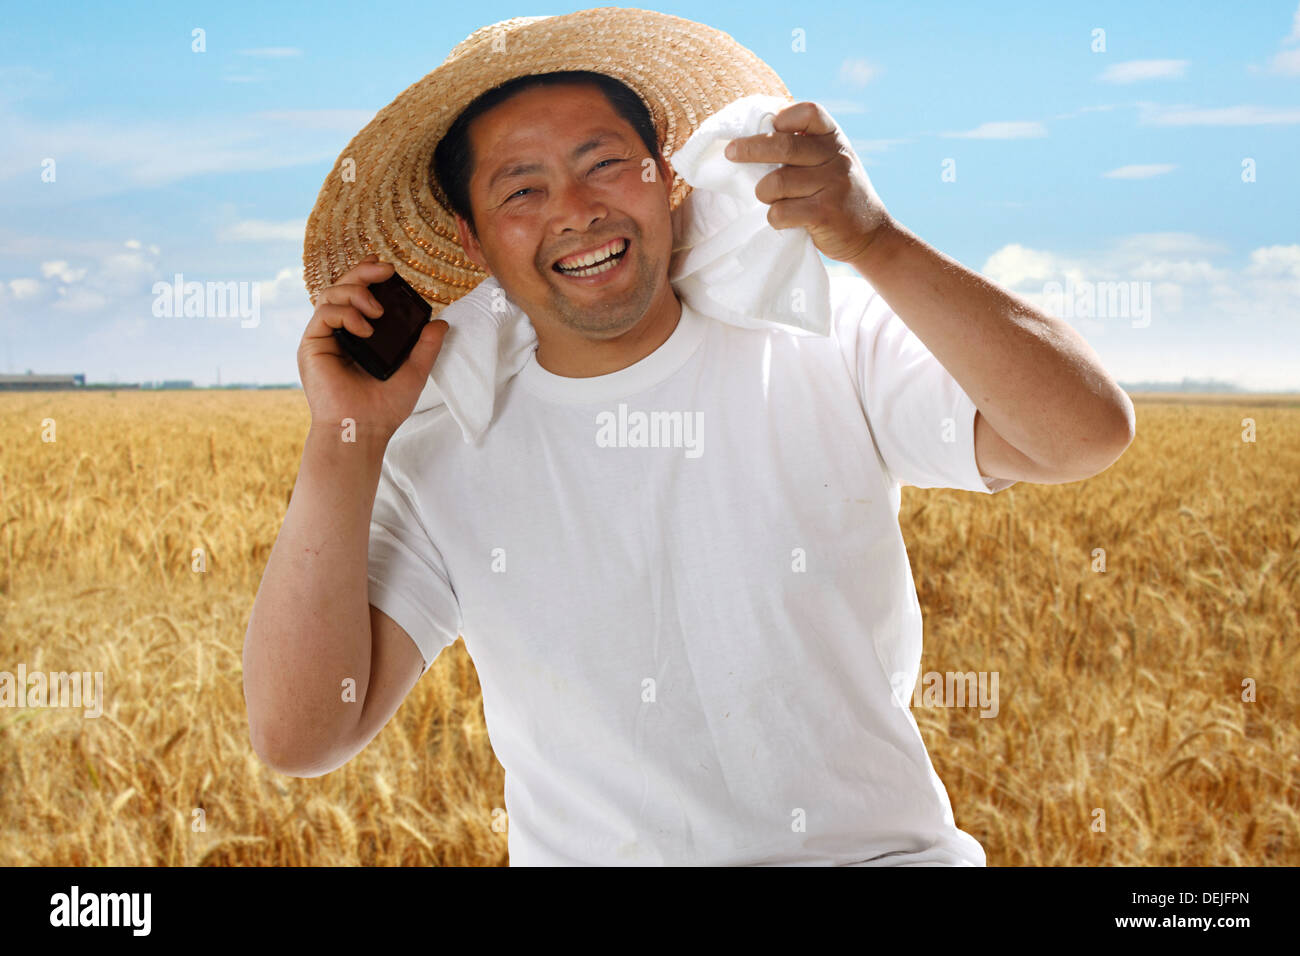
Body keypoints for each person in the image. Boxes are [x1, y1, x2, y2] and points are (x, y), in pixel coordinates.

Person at [243, 9, 1135, 866]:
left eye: (605, 165)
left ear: (667, 178)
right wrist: (345, 438)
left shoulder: (828, 336)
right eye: (523, 188)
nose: (577, 211)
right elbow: (301, 735)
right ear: (473, 241)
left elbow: (1085, 435)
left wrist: (875, 241)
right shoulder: (442, 453)